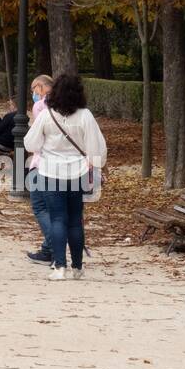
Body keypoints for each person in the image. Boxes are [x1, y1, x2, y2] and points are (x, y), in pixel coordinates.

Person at [24, 73, 107, 280]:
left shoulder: (47, 115)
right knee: (75, 221)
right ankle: (77, 266)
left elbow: (30, 144)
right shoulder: (85, 116)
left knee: (57, 219)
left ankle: (59, 266)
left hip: (51, 172)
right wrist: (94, 162)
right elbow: (96, 146)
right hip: (77, 173)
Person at [25, 74, 55, 264]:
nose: (33, 93)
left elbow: (35, 141)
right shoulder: (70, 106)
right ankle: (48, 248)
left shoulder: (40, 107)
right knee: (55, 208)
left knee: (39, 205)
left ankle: (54, 243)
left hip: (42, 162)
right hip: (68, 165)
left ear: (43, 87)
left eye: (34, 89)